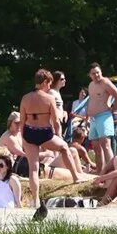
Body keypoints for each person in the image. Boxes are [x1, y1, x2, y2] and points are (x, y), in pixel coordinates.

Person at [20, 69, 79, 203]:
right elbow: (56, 121)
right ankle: (75, 177)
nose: (49, 88)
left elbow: (22, 121)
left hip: (29, 132)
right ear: (44, 82)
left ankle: (35, 200)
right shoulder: (49, 98)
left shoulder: (25, 98)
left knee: (33, 168)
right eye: (49, 84)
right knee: (64, 147)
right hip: (45, 133)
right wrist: (59, 135)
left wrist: (23, 138)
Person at [83, 64, 117, 173]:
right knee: (97, 147)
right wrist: (87, 117)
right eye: (93, 73)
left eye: (98, 72)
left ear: (101, 72)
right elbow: (91, 101)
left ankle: (113, 172)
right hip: (93, 118)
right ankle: (100, 172)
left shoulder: (105, 82)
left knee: (106, 144)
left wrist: (113, 109)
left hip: (104, 115)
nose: (96, 75)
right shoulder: (91, 85)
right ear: (90, 75)